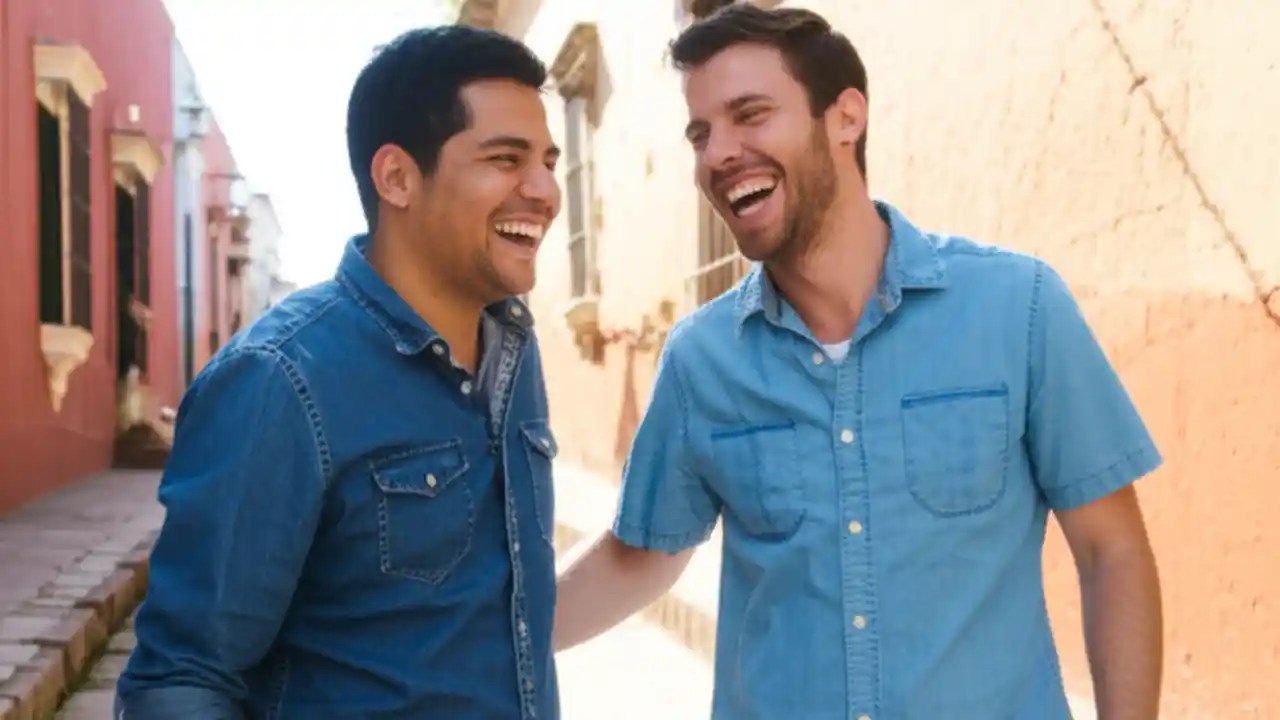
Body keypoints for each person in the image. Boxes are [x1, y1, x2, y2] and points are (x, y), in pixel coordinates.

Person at [553, 5, 1163, 719]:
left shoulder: (1018, 307)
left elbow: (1111, 551)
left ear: (846, 118)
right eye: (701, 133)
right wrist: (473, 643)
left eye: (750, 115)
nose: (718, 154)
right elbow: (639, 555)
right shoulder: (701, 361)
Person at [116, 25, 563, 719]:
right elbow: (182, 678)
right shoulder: (281, 380)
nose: (544, 191)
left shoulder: (511, 352)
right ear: (397, 178)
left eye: (548, 162)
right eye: (506, 159)